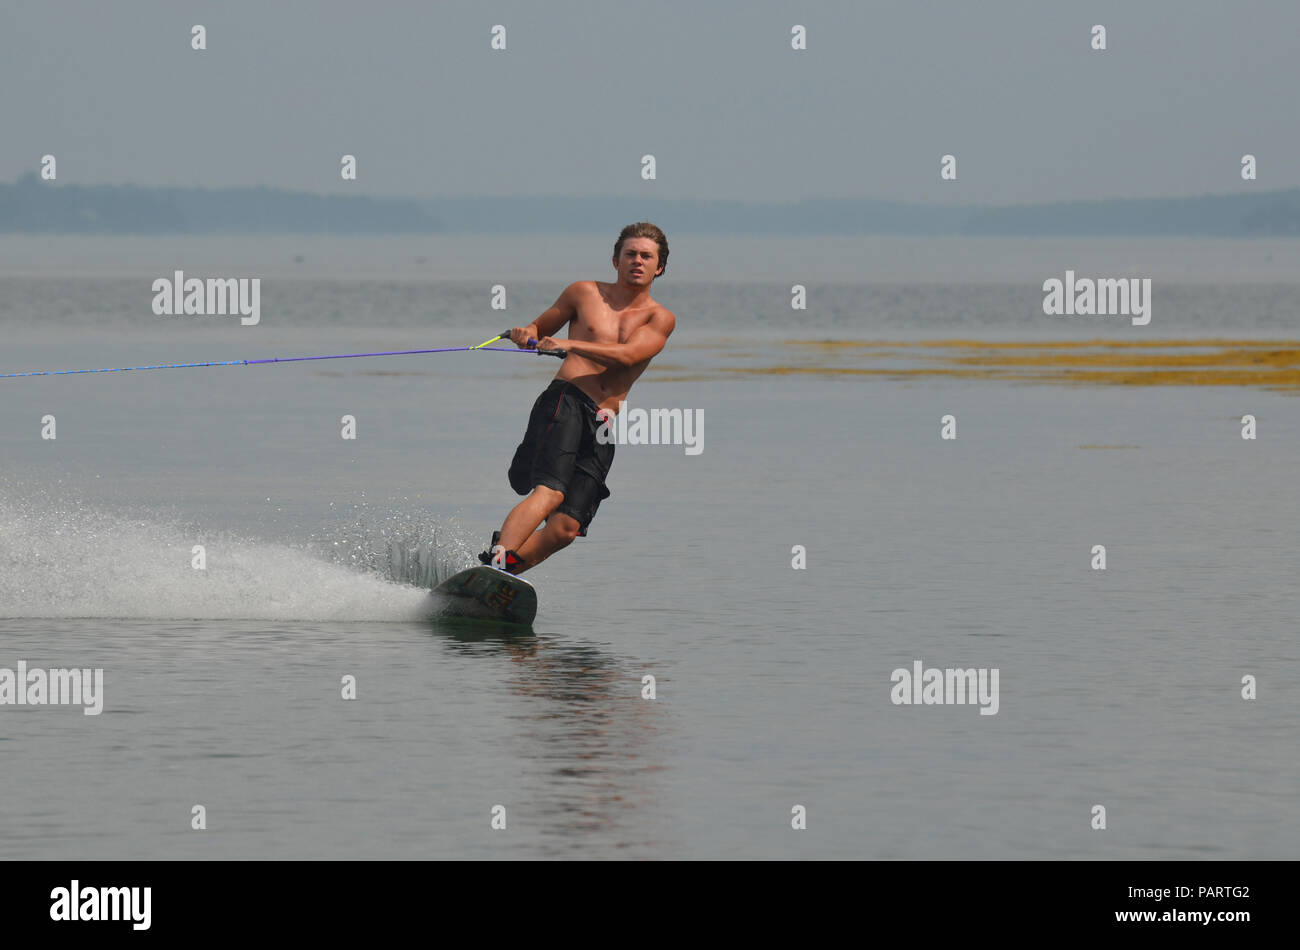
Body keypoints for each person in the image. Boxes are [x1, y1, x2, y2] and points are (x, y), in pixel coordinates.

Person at [479, 223, 676, 574]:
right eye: (630, 254)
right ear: (615, 260)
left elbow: (628, 356)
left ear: (659, 267)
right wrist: (528, 333)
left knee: (565, 529)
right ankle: (496, 564)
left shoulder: (660, 318)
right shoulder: (583, 293)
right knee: (550, 492)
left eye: (647, 256)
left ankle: (501, 576)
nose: (637, 261)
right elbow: (539, 331)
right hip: (566, 401)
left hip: (602, 422)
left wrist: (568, 344)